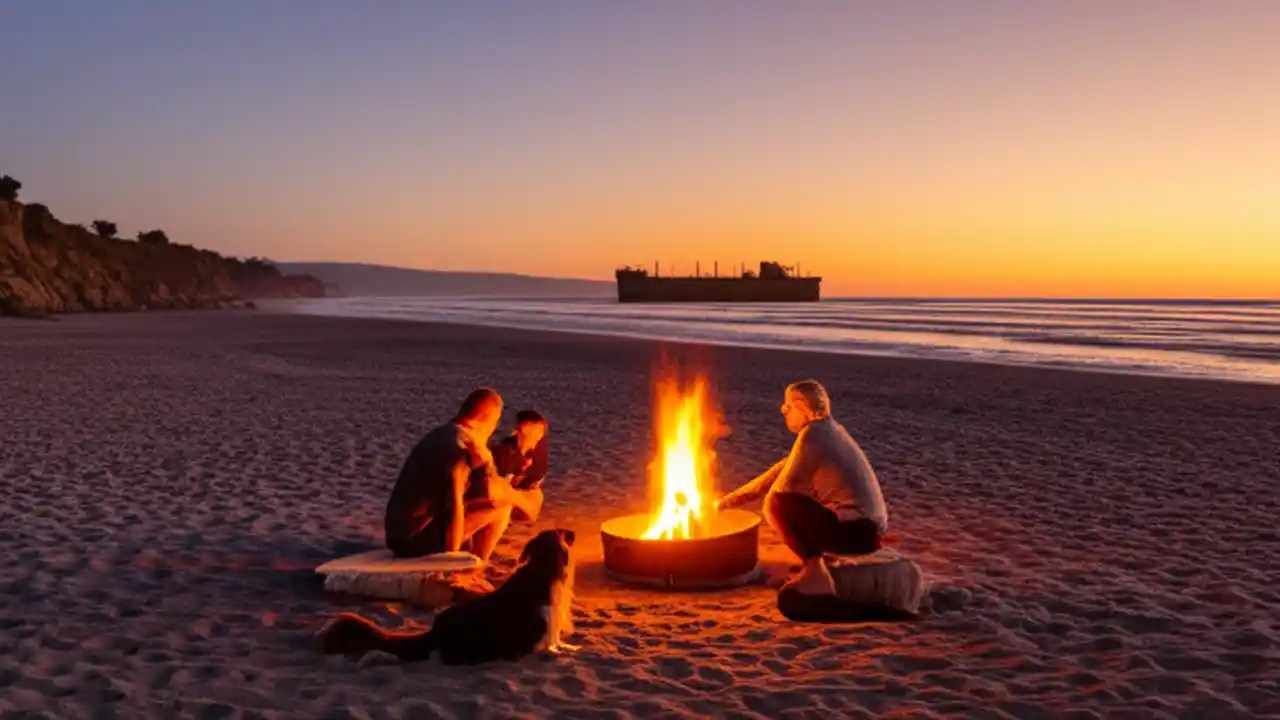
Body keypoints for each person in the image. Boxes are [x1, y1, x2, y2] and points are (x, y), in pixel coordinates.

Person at [717, 380, 888, 596]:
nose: (784, 413)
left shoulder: (813, 434)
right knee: (787, 500)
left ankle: (815, 572)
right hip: (867, 533)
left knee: (775, 504)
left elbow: (780, 491)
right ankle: (819, 561)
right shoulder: (828, 431)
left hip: (855, 534)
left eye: (787, 408)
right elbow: (777, 472)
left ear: (801, 406)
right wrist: (728, 501)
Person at [384, 388, 544, 563]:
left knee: (490, 496)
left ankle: (469, 555)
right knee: (501, 507)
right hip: (416, 543)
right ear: (490, 419)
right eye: (496, 423)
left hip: (396, 537)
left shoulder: (442, 434)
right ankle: (478, 564)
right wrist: (522, 500)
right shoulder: (471, 446)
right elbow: (490, 494)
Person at [490, 410, 549, 490]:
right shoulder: (503, 451)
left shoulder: (537, 456)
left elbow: (534, 484)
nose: (537, 436)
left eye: (540, 432)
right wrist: (521, 470)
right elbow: (500, 486)